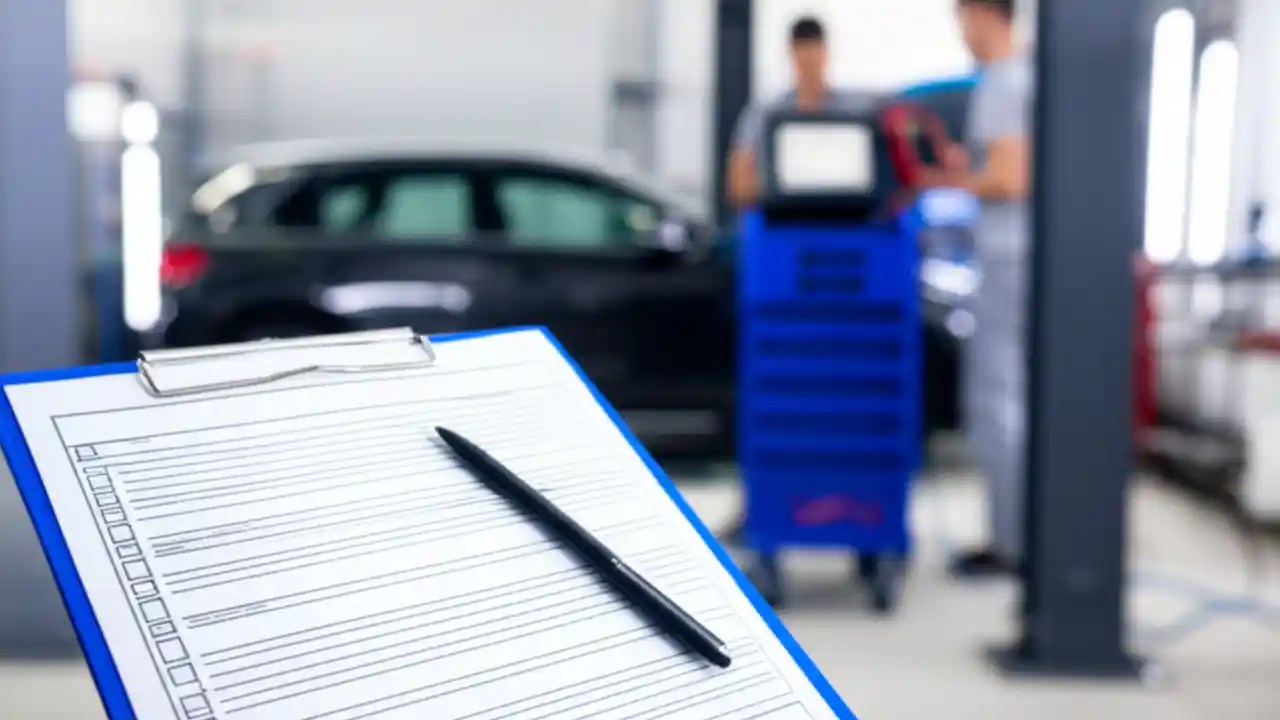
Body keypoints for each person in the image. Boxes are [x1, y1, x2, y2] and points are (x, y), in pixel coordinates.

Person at [925, 0, 1033, 577]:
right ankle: (1020, 536)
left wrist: (946, 176)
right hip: (1025, 261)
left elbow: (1011, 177)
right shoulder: (1033, 77)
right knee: (1015, 398)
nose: (961, 32)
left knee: (996, 400)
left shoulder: (1003, 82)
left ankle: (1012, 545)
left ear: (981, 14)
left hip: (1009, 259)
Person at [726, 16, 876, 209]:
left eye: (814, 53)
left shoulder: (853, 111)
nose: (809, 62)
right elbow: (739, 180)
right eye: (803, 53)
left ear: (825, 53)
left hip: (842, 211)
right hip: (784, 215)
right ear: (792, 55)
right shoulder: (765, 114)